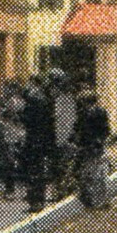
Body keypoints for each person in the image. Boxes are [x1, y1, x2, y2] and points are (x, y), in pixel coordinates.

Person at [21, 74, 56, 213]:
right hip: (43, 141)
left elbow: (26, 119)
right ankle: (38, 200)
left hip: (34, 140)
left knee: (34, 171)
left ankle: (36, 201)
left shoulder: (36, 102)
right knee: (39, 170)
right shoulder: (48, 101)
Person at [0, 80, 27, 197]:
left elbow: (22, 117)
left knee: (10, 161)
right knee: (1, 160)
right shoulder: (2, 102)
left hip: (15, 134)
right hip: (5, 134)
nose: (8, 91)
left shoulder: (19, 102)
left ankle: (9, 188)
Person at [75, 88, 113, 211]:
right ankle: (101, 199)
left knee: (92, 174)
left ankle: (95, 200)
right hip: (95, 146)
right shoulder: (100, 112)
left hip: (91, 147)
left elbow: (82, 131)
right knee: (98, 174)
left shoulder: (87, 113)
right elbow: (106, 130)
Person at [49, 69, 79, 199]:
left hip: (63, 136)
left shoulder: (62, 100)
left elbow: (57, 117)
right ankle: (63, 189)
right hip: (64, 135)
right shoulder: (70, 100)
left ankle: (62, 189)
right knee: (63, 163)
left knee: (61, 164)